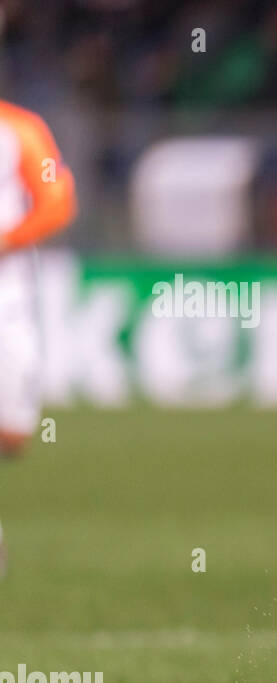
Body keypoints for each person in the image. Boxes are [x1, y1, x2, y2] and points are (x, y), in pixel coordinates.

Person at [0, 100, 78, 577]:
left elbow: (58, 201)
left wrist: (8, 239)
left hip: (8, 301)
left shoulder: (19, 128)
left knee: (13, 434)